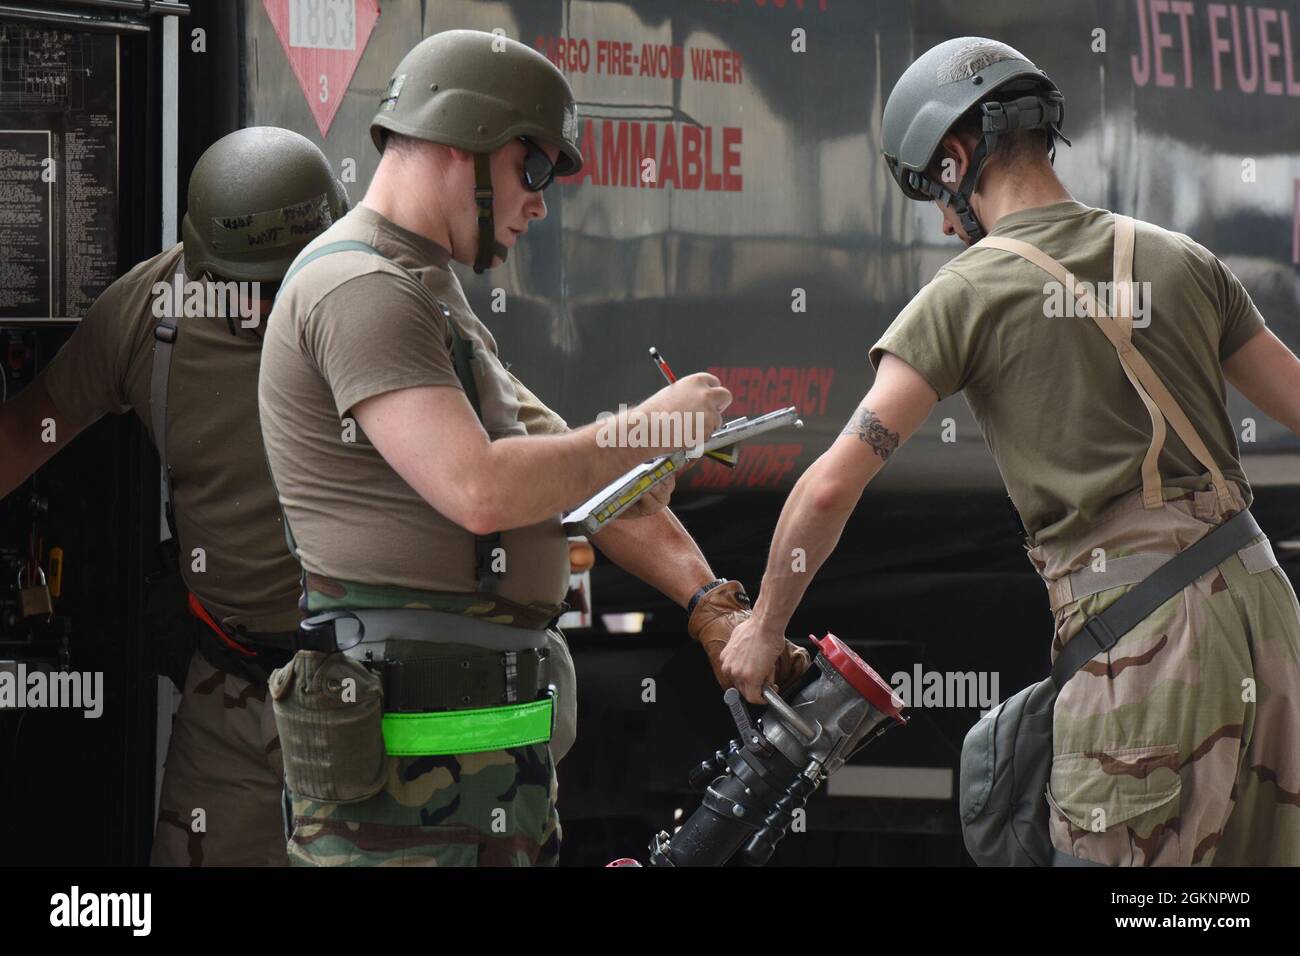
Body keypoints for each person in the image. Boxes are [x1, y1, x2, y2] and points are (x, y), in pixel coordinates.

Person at [720, 36, 1300, 866]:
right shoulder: (1182, 260)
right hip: (1267, 611)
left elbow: (824, 492)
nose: (938, 215)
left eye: (930, 188)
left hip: (1144, 640)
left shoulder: (967, 292)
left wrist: (764, 627)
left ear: (954, 160)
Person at [257, 28, 808, 867]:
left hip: (481, 781)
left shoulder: (427, 287)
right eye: (536, 167)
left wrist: (711, 608)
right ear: (464, 144)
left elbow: (573, 479)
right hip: (396, 800)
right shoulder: (361, 288)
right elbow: (480, 488)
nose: (542, 201)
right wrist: (653, 426)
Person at [0, 127, 349, 865]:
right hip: (228, 705)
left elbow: (492, 473)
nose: (262, 311)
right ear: (198, 264)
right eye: (244, 287)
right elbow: (24, 435)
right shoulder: (150, 320)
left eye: (285, 284)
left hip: (367, 697)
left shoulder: (385, 309)